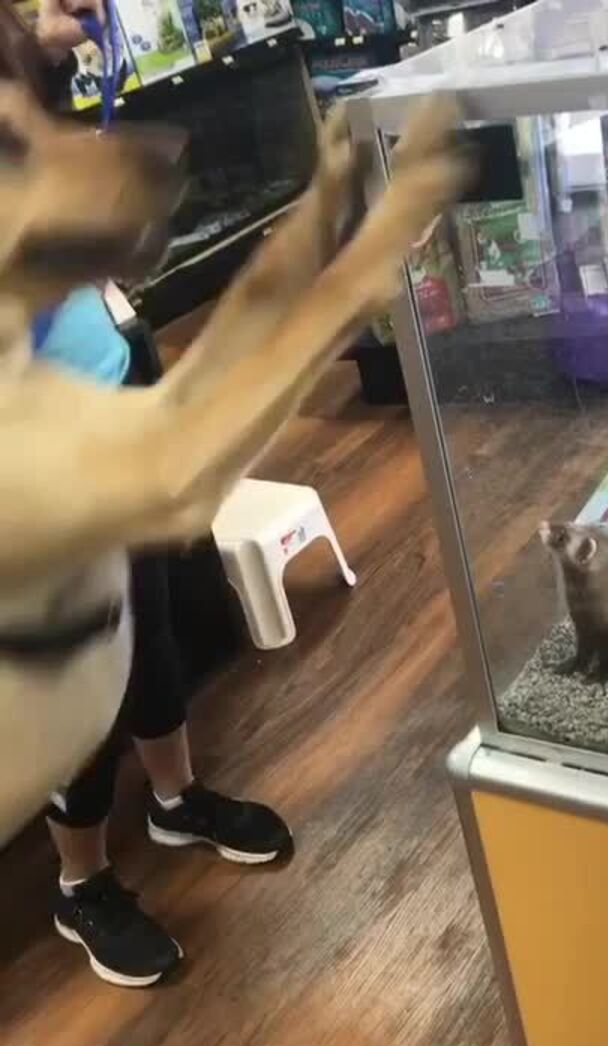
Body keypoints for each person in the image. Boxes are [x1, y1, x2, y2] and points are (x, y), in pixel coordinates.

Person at [25, 0, 294, 989]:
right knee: (78, 680)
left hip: (114, 383)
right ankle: (80, 884)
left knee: (159, 615)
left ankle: (176, 801)